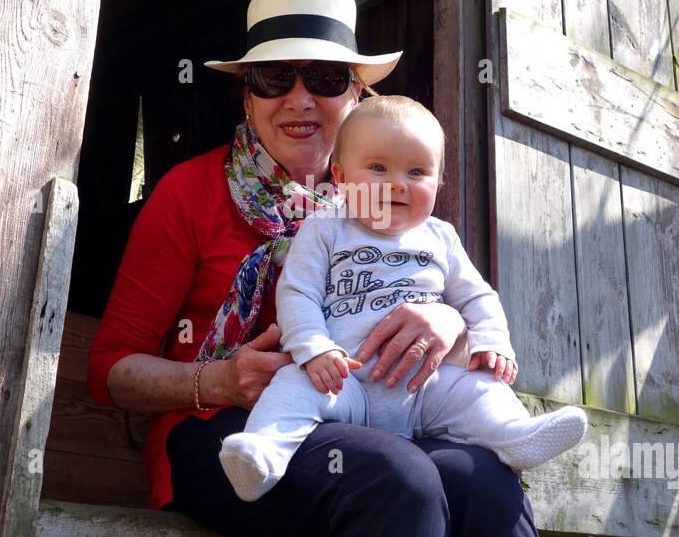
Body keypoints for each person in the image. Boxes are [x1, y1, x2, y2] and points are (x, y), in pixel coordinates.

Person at [87, 0, 559, 537]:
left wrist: (450, 319)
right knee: (396, 479)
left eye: (327, 79)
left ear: (358, 95)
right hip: (231, 435)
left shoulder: (392, 204)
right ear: (246, 97)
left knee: (485, 480)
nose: (300, 99)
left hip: (380, 414)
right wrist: (217, 378)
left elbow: (458, 292)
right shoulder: (189, 193)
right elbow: (109, 369)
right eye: (275, 78)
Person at [218, 95, 587, 501]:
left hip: (425, 386)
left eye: (417, 171)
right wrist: (314, 349)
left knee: (482, 389)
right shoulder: (325, 229)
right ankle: (263, 453)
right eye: (378, 168)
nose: (397, 183)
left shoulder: (441, 237)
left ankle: (515, 435)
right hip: (345, 379)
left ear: (438, 182)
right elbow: (297, 293)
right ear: (339, 177)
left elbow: (478, 297)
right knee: (292, 385)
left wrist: (493, 343)